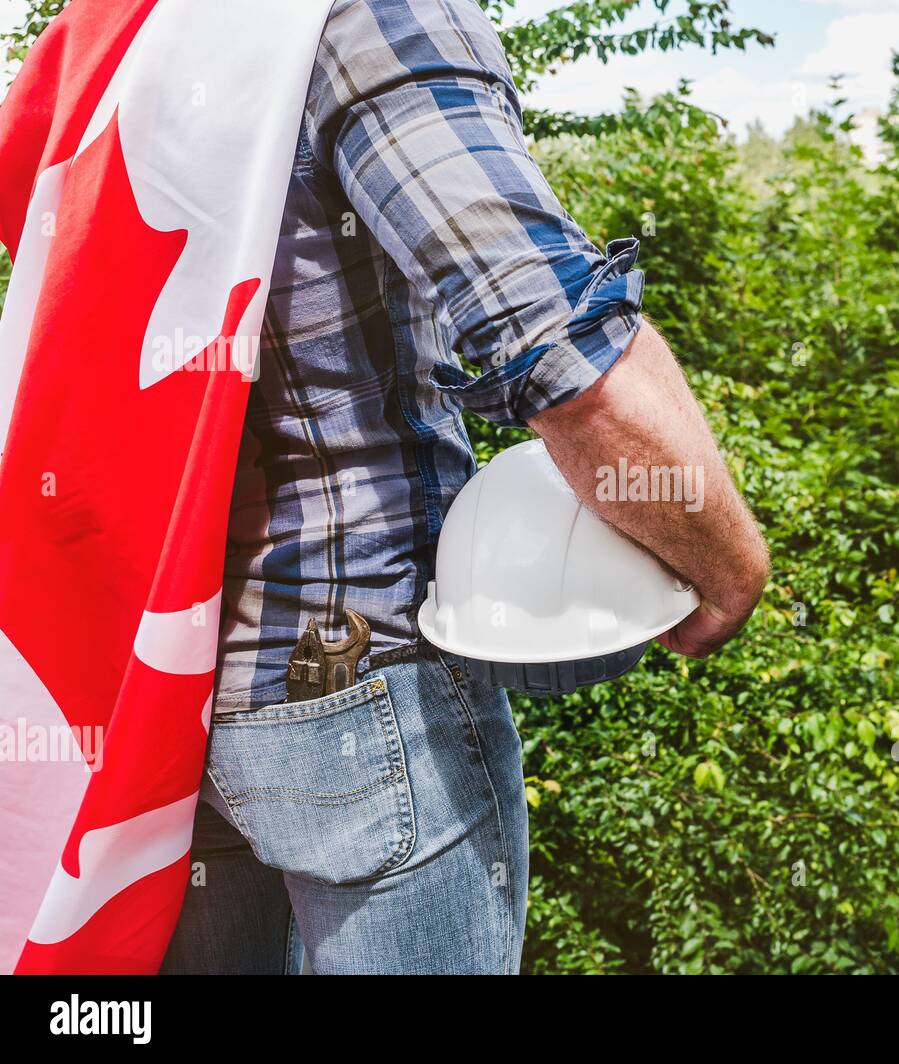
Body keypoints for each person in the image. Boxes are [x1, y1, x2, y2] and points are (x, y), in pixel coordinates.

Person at [161, 0, 768, 975]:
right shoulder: (365, 16)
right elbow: (553, 347)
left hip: (167, 689)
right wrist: (729, 563)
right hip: (357, 694)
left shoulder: (155, 49)